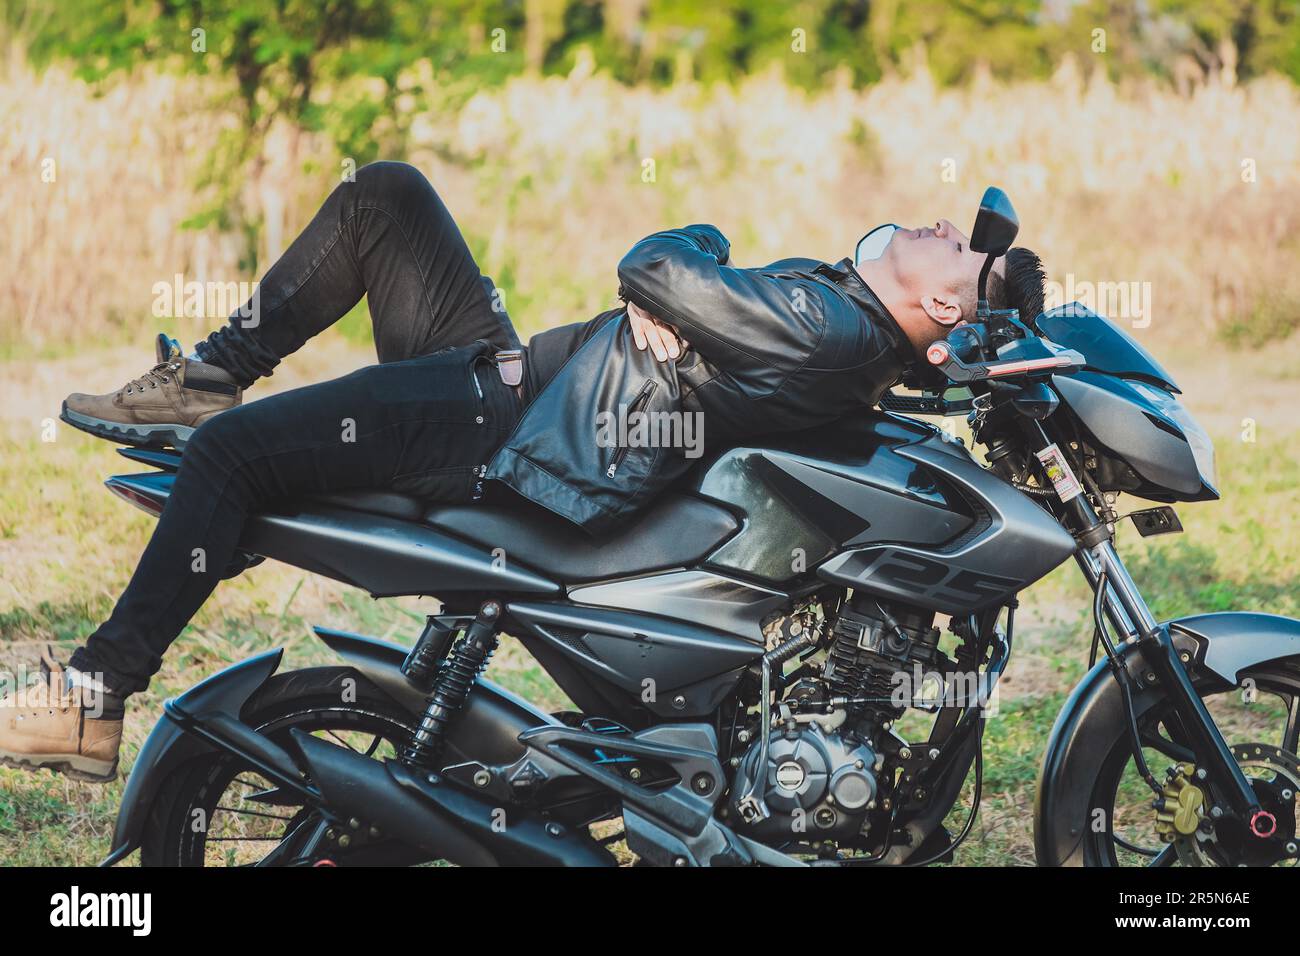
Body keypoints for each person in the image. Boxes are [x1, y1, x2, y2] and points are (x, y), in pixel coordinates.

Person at [0, 162, 1046, 781]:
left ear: (947, 309)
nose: (948, 228)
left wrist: (691, 267)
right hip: (506, 372)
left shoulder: (828, 325)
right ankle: (207, 374)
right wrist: (689, 290)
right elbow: (680, 290)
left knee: (234, 454)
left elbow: (652, 265)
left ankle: (94, 693)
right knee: (386, 198)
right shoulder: (843, 325)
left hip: (499, 418)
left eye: (966, 252)